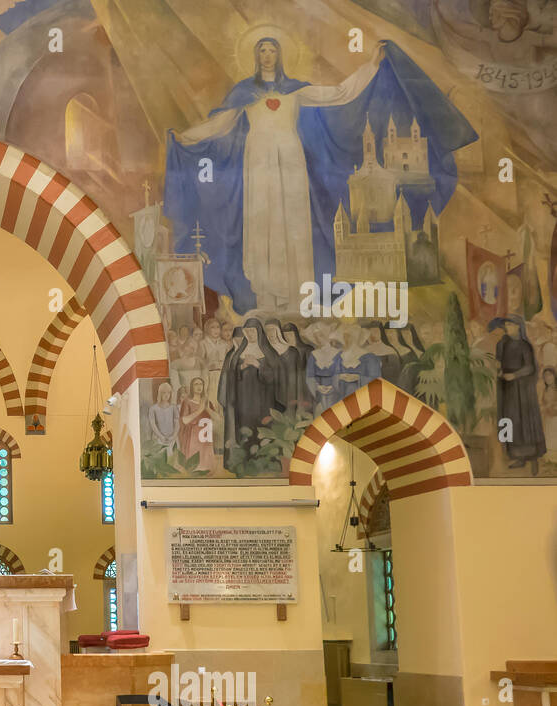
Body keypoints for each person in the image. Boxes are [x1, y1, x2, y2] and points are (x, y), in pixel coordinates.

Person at [166, 36, 475, 313]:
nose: (267, 54)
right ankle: (268, 296)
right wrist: (187, 138)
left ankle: (297, 294)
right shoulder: (244, 92)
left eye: (272, 49)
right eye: (262, 50)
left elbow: (339, 94)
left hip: (290, 155)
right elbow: (221, 124)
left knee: (292, 221)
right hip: (257, 158)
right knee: (264, 222)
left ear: (280, 55)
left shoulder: (296, 90)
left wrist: (370, 66)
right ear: (255, 57)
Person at [220, 317, 283, 455]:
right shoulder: (238, 353)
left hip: (263, 400)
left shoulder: (269, 352)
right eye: (247, 332)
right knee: (244, 426)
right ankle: (245, 457)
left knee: (262, 426)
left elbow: (276, 376)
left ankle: (263, 459)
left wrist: (257, 364)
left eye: (252, 331)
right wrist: (242, 366)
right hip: (243, 399)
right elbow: (231, 375)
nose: (249, 335)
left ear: (259, 332)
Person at [493, 315, 546, 474]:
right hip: (507, 389)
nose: (507, 328)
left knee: (525, 422)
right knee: (509, 421)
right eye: (506, 325)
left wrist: (515, 375)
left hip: (522, 391)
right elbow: (498, 361)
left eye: (510, 325)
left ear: (518, 327)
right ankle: (516, 456)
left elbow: (530, 368)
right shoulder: (502, 343)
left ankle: (532, 457)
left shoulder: (524, 346)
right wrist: (499, 370)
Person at [178, 376, 217, 472]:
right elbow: (184, 420)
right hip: (193, 436)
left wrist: (207, 408)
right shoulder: (187, 402)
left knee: (206, 467)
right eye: (196, 384)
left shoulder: (207, 402)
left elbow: (217, 418)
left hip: (206, 436)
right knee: (194, 466)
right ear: (192, 387)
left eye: (201, 384)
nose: (199, 386)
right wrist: (199, 410)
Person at [148, 381, 180, 458]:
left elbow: (177, 423)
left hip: (172, 438)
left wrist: (174, 436)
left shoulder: (173, 407)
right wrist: (161, 436)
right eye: (164, 393)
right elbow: (153, 424)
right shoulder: (153, 408)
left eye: (168, 393)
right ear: (160, 394)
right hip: (159, 439)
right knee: (160, 458)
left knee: (172, 458)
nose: (166, 395)